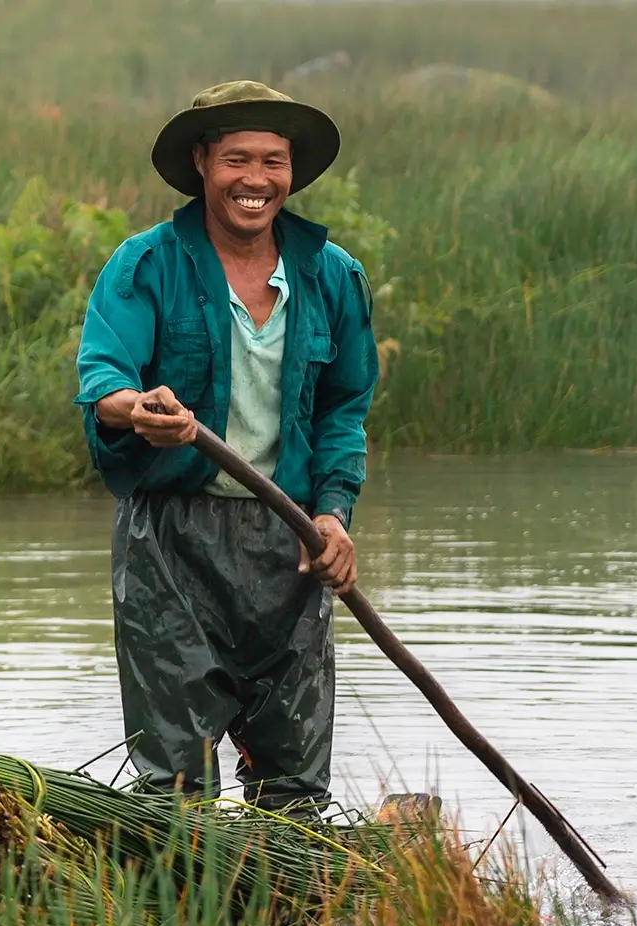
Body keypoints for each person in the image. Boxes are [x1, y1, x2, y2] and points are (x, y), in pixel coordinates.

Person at [74, 81, 380, 809]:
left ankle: (289, 915)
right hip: (170, 546)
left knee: (296, 784)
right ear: (203, 162)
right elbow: (104, 377)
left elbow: (345, 407)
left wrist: (333, 515)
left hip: (291, 541)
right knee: (173, 785)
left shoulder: (333, 276)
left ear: (291, 174)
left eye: (273, 161)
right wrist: (140, 409)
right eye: (237, 158)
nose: (256, 180)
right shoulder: (147, 264)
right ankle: (182, 915)